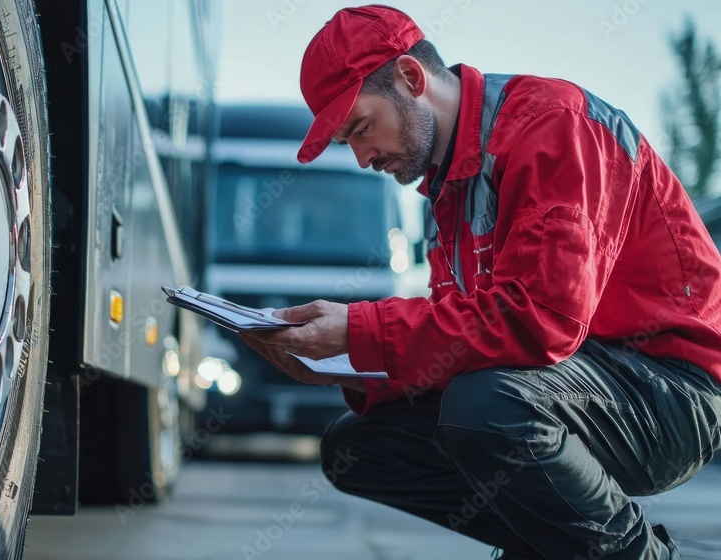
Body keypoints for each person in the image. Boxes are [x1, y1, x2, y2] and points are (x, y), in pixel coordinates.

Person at [239, 5, 721, 559]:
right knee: (359, 446)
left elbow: (542, 320)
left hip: (671, 391)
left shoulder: (551, 126)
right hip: (578, 382)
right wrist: (350, 370)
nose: (363, 157)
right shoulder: (446, 190)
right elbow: (465, 344)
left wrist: (360, 330)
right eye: (349, 142)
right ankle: (556, 547)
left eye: (362, 128)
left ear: (411, 77)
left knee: (486, 408)